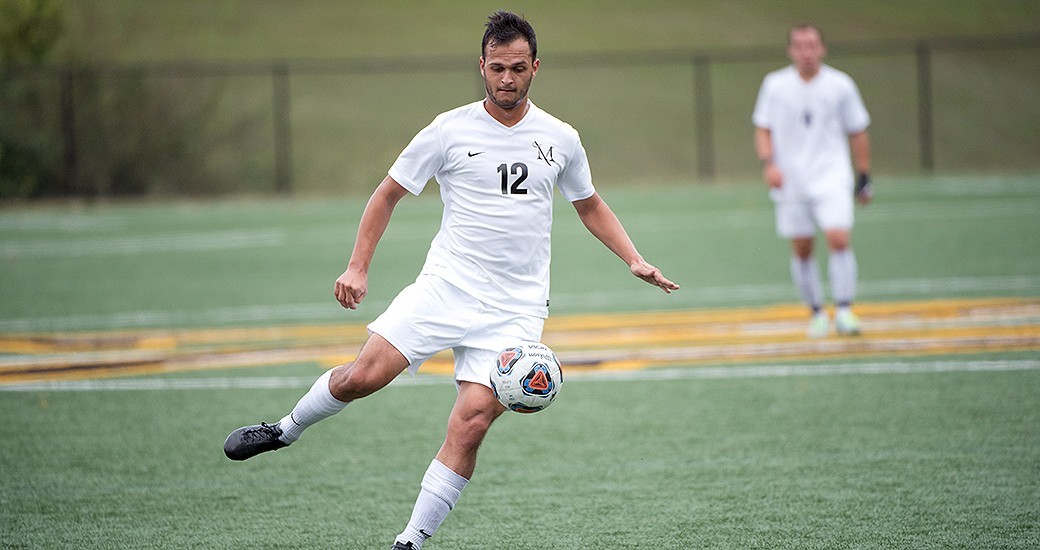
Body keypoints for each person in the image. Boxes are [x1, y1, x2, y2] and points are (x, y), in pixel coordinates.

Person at [223, 11, 678, 550]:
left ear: (535, 67)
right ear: (480, 67)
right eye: (496, 68)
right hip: (446, 286)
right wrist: (357, 266)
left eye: (516, 68)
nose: (506, 78)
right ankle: (284, 429)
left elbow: (590, 204)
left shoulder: (561, 138)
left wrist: (633, 258)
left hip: (516, 309)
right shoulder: (449, 130)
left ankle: (410, 541)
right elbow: (386, 194)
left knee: (471, 422)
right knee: (362, 378)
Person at [752, 23, 872, 338]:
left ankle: (844, 309)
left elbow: (857, 130)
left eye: (812, 45)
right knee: (803, 248)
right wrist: (769, 164)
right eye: (800, 46)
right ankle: (817, 311)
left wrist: (864, 176)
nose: (807, 52)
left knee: (838, 238)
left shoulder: (840, 85)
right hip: (791, 180)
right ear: (791, 50)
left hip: (832, 176)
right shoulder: (775, 85)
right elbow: (763, 128)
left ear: (822, 49)